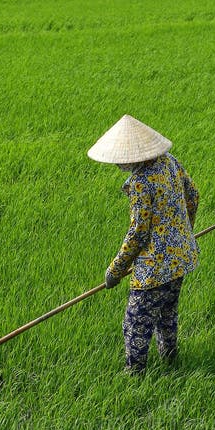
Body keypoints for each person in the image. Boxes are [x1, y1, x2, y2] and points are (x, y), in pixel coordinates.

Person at [88, 115, 199, 374]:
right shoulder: (170, 162)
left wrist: (115, 270)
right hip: (180, 259)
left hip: (154, 269)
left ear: (133, 157)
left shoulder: (140, 182)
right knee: (167, 314)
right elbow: (193, 195)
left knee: (136, 322)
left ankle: (134, 373)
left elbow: (138, 233)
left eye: (121, 157)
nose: (117, 163)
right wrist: (183, 234)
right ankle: (171, 361)